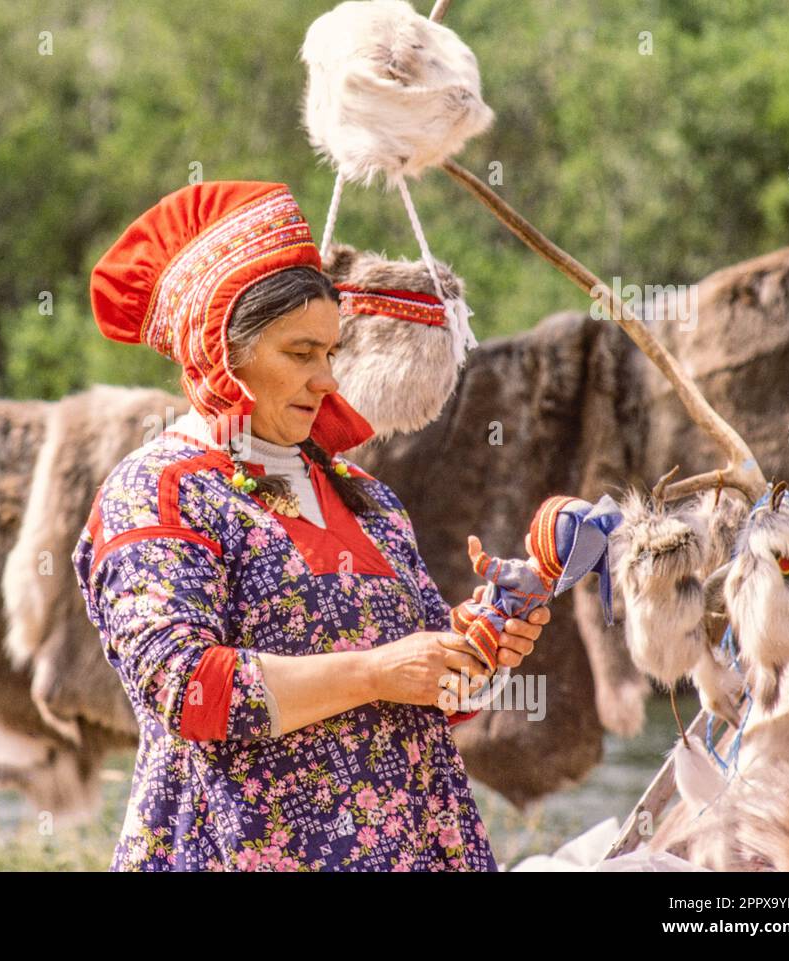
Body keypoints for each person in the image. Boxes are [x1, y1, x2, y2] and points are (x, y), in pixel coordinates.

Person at [72, 180, 548, 871]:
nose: (328, 378)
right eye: (300, 354)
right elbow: (187, 686)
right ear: (221, 352)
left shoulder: (365, 496)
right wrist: (377, 671)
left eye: (330, 351)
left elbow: (422, 702)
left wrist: (475, 650)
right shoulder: (161, 491)